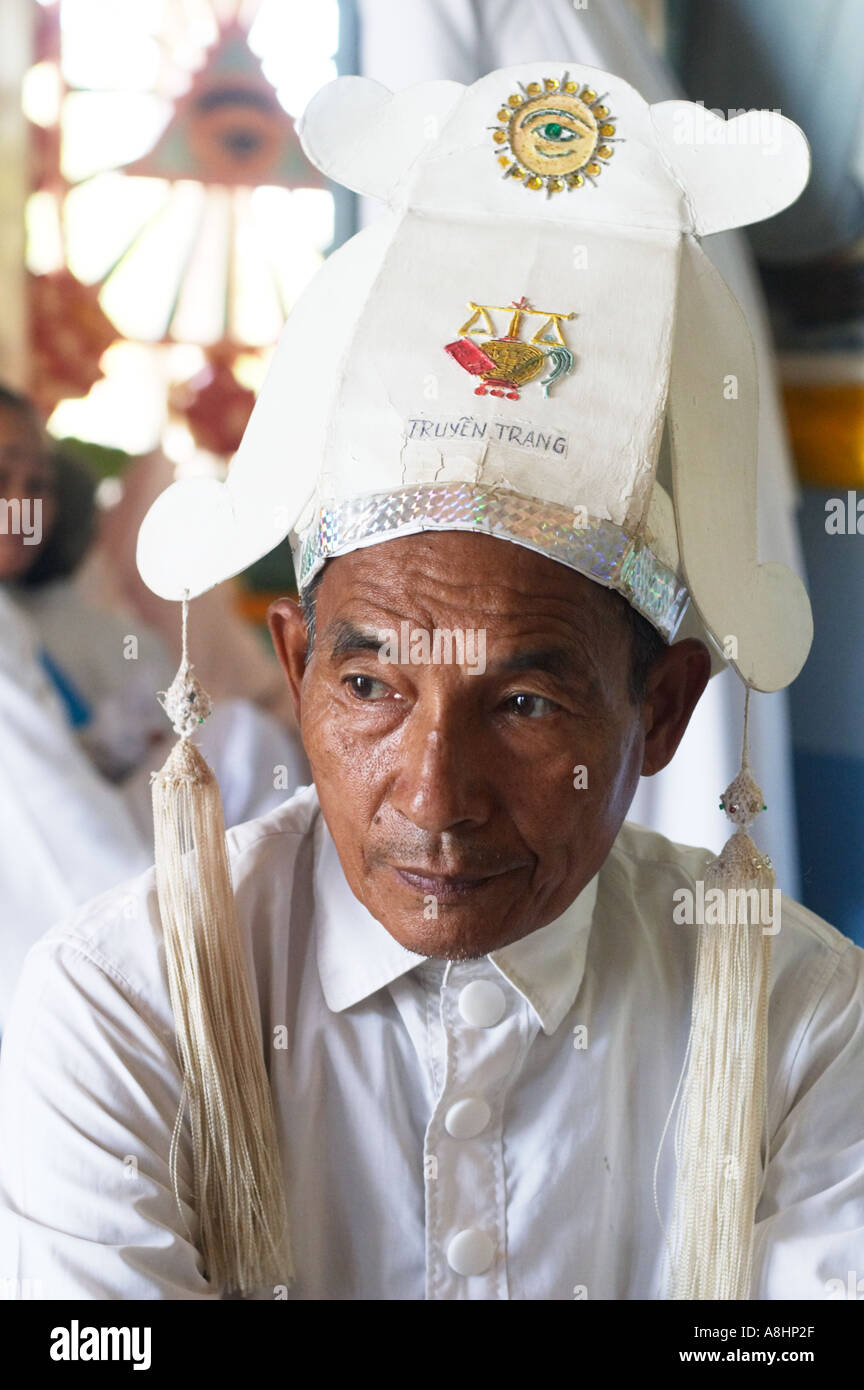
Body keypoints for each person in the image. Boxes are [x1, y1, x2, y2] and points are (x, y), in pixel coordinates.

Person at [0, 62, 862, 1302]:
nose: (434, 797)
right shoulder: (123, 1003)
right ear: (294, 669)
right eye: (370, 689)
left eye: (524, 702)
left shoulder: (805, 1016)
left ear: (662, 710)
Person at [0, 385, 309, 1033]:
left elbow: (157, 714)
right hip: (87, 939)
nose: (21, 506)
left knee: (241, 736)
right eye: (1, 476)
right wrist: (172, 961)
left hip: (136, 883)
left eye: (37, 483)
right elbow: (61, 836)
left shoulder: (61, 617)